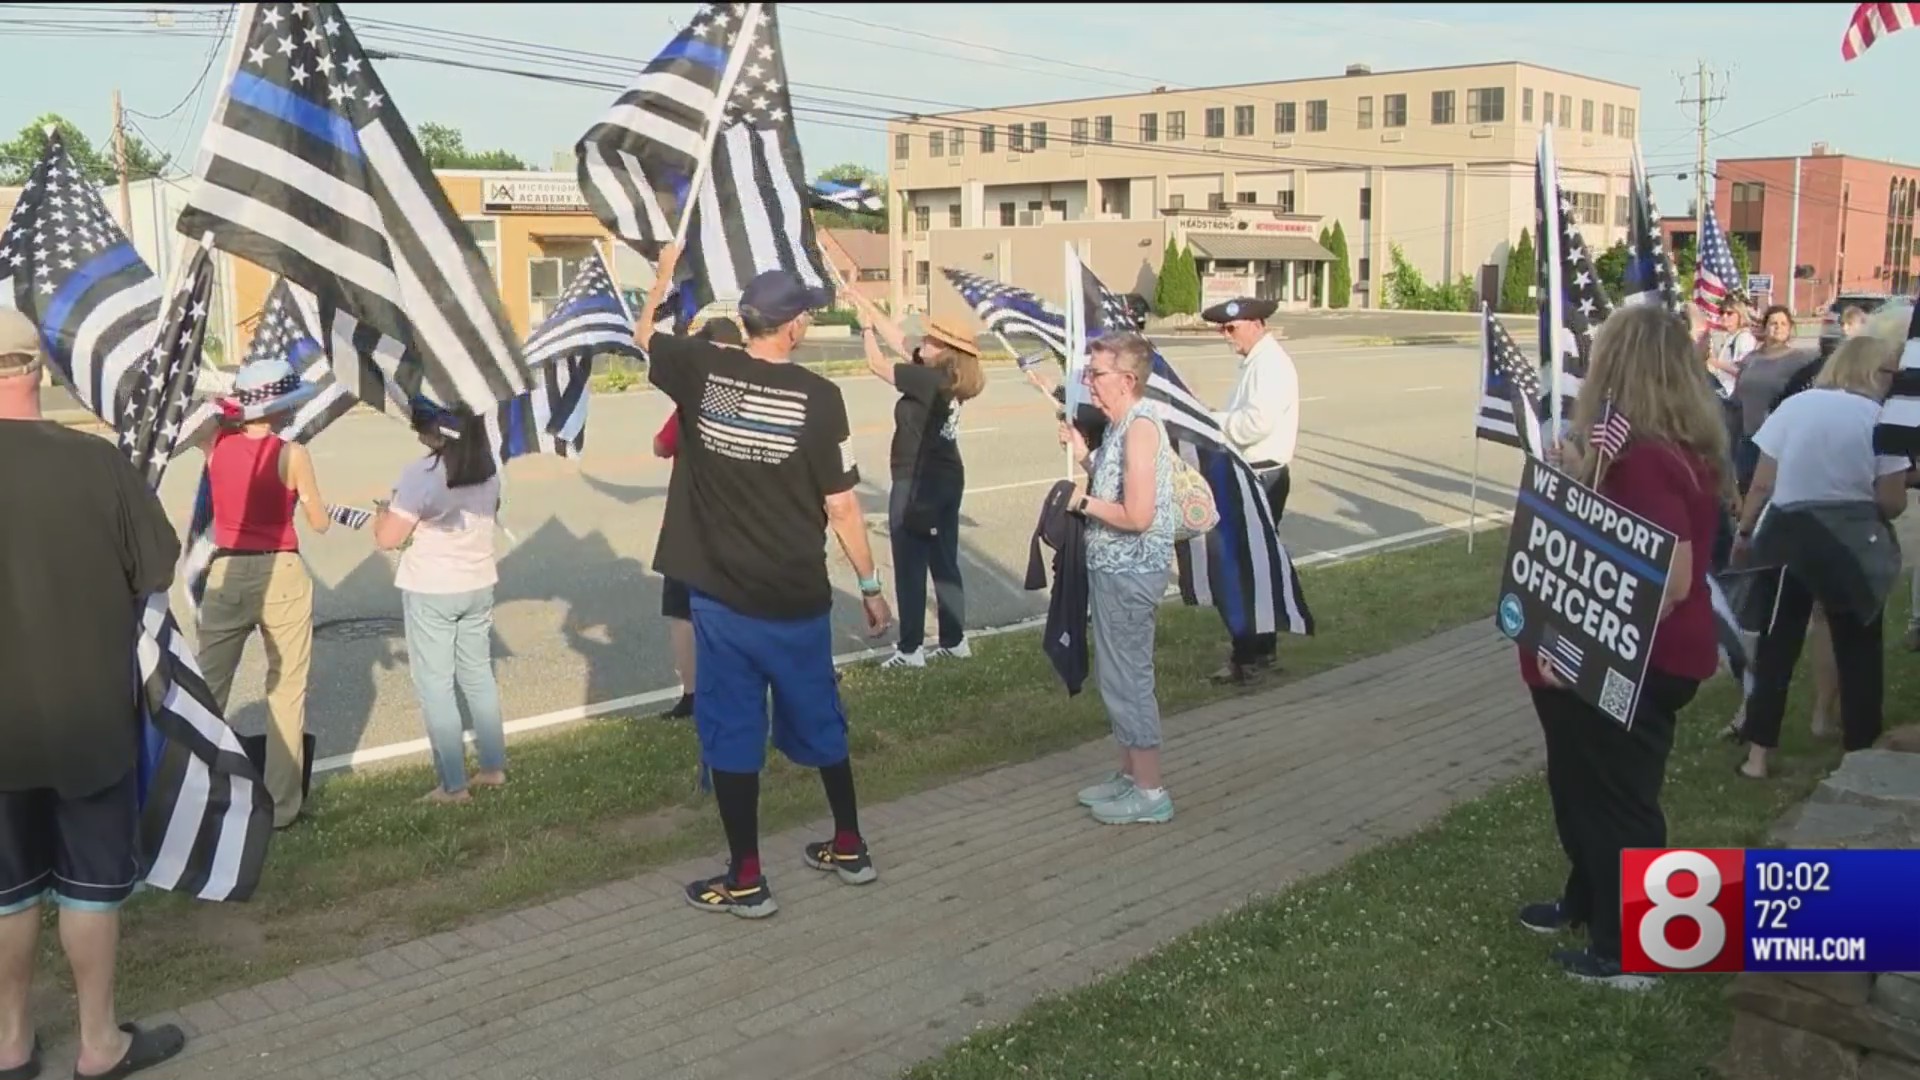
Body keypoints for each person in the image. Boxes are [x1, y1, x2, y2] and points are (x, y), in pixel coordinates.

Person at [636, 249, 892, 919]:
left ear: (747, 320)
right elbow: (842, 505)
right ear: (795, 326)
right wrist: (870, 585)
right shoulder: (821, 398)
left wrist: (663, 274)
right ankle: (850, 844)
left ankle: (747, 878)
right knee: (822, 718)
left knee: (732, 733)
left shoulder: (702, 370)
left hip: (724, 601)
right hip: (797, 596)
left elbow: (643, 336)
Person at [1514, 304, 1728, 991]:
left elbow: (1672, 576)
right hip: (1654, 655)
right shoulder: (1673, 452)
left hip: (1642, 661)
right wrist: (1582, 473)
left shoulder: (1648, 461)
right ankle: (1588, 900)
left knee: (1618, 801)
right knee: (1583, 785)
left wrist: (1587, 648)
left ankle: (1631, 950)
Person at [0, 311, 189, 1078]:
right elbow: (158, 569)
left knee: (6, 892)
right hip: (89, 718)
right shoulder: (99, 462)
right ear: (38, 371)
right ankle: (98, 1043)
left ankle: (10, 1043)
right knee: (89, 888)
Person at [1730, 335, 1911, 778]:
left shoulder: (1796, 406)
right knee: (1859, 647)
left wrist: (1745, 530)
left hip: (1786, 536)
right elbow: (1891, 502)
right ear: (1875, 372)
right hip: (1851, 543)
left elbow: (1762, 483)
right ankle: (1859, 750)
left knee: (1776, 647)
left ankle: (1757, 756)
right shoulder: (1882, 421)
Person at [194, 355, 331, 830]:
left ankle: (193, 794)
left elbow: (200, 414)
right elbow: (319, 522)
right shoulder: (293, 455)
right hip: (280, 568)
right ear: (278, 408)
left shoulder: (215, 444)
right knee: (286, 689)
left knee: (208, 688)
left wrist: (227, 408)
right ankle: (281, 806)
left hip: (227, 569)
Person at [1066, 332, 1181, 825]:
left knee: (1129, 679)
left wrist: (1081, 502)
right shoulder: (1121, 426)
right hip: (1114, 570)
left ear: (1128, 379)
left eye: (1097, 373)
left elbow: (1137, 514)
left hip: (1130, 572)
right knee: (1115, 676)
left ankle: (1151, 791)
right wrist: (1084, 456)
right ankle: (1131, 773)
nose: (1088, 382)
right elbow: (1117, 481)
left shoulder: (1140, 428)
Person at [373, 404, 508, 804]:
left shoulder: (422, 474)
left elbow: (389, 538)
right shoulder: (489, 469)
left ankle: (453, 784)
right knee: (478, 675)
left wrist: (382, 513)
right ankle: (493, 766)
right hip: (478, 579)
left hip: (432, 587)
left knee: (436, 685)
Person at [847, 293, 986, 669]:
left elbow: (877, 364)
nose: (922, 340)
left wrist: (865, 330)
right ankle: (954, 641)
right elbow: (901, 341)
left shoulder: (925, 379)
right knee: (944, 561)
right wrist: (867, 305)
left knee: (909, 564)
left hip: (917, 480)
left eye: (931, 339)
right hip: (947, 478)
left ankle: (910, 650)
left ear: (946, 351)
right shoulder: (948, 377)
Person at [1199, 297, 1298, 685]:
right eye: (1223, 329)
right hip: (1256, 474)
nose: (1226, 336)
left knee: (1240, 567)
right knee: (1256, 565)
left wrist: (1213, 422)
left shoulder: (1269, 365)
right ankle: (1260, 650)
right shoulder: (1257, 362)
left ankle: (1247, 655)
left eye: (1231, 328)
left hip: (1261, 476)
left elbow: (1255, 424)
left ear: (1256, 324)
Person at [651, 316, 744, 720]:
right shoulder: (759, 393)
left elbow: (661, 445)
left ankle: (692, 692)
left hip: (691, 520)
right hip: (743, 518)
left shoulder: (696, 396)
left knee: (682, 609)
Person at [1728, 305, 1815, 495]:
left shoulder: (1800, 361)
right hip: (1748, 441)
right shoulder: (1750, 359)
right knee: (1745, 493)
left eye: (1784, 324)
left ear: (1790, 328)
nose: (1778, 327)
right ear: (1765, 327)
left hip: (1778, 444)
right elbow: (1737, 400)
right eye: (1774, 323)